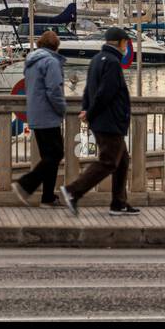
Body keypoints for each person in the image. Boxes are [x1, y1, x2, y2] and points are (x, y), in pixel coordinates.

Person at [59, 27, 140, 215]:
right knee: (109, 161)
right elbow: (105, 93)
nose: (127, 47)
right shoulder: (112, 62)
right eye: (126, 43)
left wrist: (86, 109)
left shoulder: (96, 60)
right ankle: (73, 191)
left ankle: (119, 203)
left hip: (102, 120)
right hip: (110, 121)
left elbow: (89, 89)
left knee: (122, 161)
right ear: (121, 43)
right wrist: (91, 112)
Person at [13, 30, 67, 206]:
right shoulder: (50, 62)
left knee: (48, 157)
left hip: (35, 113)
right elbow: (54, 89)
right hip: (48, 114)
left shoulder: (31, 62)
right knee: (56, 154)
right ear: (55, 47)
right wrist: (62, 109)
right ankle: (25, 184)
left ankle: (48, 197)